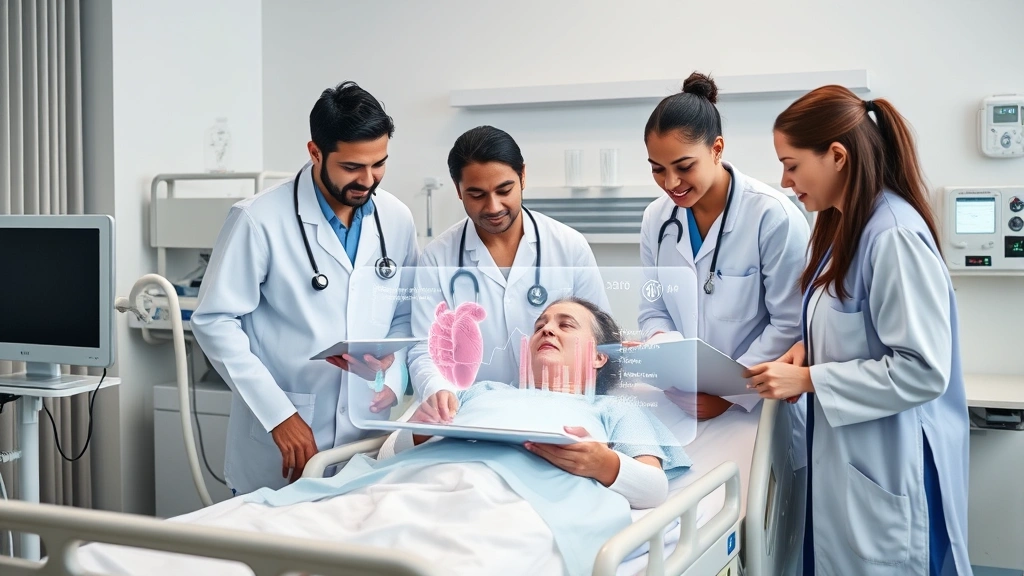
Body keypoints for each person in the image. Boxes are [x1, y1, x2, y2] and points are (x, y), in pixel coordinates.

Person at [80, 298, 691, 576]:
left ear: (603, 356)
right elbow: (390, 449)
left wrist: (600, 463)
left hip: (508, 510)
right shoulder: (481, 393)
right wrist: (421, 429)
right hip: (404, 488)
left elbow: (653, 487)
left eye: (566, 323)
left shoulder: (613, 414)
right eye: (540, 324)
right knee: (288, 527)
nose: (547, 330)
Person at [747, 86, 971, 575]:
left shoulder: (892, 235)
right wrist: (808, 350)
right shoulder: (845, 227)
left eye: (791, 164)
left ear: (837, 156)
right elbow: (857, 322)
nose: (785, 181)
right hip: (852, 463)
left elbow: (922, 370)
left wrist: (808, 382)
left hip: (890, 466)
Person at [191, 81, 420, 494]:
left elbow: (404, 313)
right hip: (285, 438)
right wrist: (279, 415)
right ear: (315, 152)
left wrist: (391, 377)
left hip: (366, 438)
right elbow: (214, 321)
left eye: (379, 164)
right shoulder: (258, 219)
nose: (368, 181)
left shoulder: (396, 218)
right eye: (352, 167)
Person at [637, 72, 810, 419]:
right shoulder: (657, 219)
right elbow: (653, 310)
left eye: (684, 167)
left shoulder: (772, 217)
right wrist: (665, 350)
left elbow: (790, 324)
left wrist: (730, 391)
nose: (670, 183)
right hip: (683, 400)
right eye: (658, 169)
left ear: (716, 149)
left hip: (760, 405)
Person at [408, 125, 611, 421]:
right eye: (476, 195)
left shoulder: (568, 246)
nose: (493, 207)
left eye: (504, 190)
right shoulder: (438, 257)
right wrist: (438, 391)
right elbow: (424, 349)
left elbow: (599, 340)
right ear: (458, 191)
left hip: (557, 414)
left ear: (523, 176)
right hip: (471, 415)